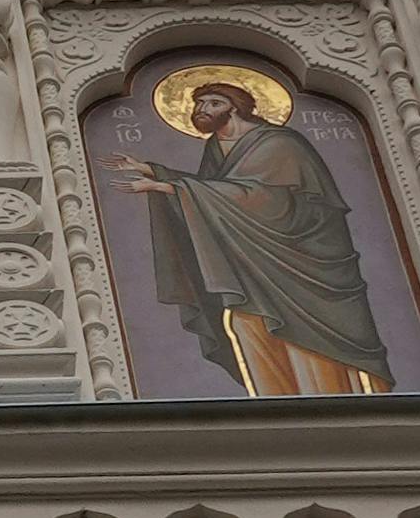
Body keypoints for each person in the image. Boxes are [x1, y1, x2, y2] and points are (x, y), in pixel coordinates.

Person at [117, 77, 395, 398]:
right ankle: (281, 415)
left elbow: (260, 199)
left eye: (213, 103)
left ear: (234, 109)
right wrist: (154, 170)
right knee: (248, 327)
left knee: (305, 343)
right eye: (199, 103)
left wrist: (168, 187)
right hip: (251, 267)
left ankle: (333, 412)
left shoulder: (278, 143)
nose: (202, 109)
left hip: (301, 268)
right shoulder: (218, 148)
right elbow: (216, 193)